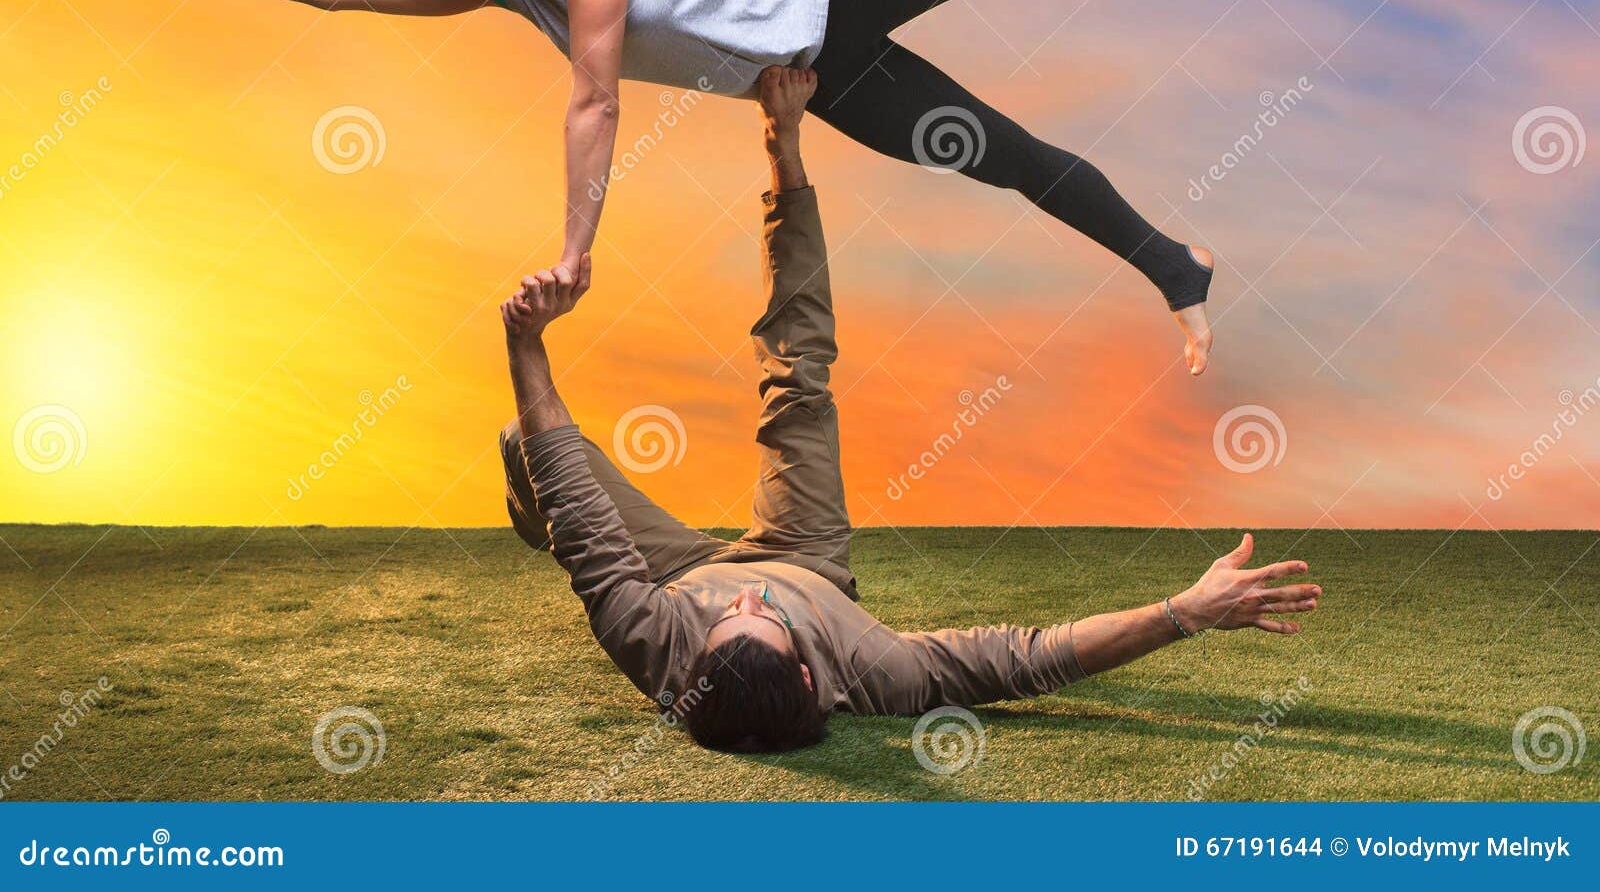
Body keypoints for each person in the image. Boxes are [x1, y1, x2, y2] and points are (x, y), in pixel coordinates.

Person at [96, 0, 1307, 377]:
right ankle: (1173, 265)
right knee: (1000, 156)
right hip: (813, 66)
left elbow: (595, 95)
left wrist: (576, 249)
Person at [497, 65, 1322, 753]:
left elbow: (582, 505)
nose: (747, 600)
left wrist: (528, 340)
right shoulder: (878, 671)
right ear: (814, 679)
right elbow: (1028, 661)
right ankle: (788, 156)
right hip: (807, 552)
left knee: (527, 444)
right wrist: (1186, 612)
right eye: (765, 617)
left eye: (730, 618)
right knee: (799, 379)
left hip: (676, 572)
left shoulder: (651, 639)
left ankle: (780, 152)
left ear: (688, 665)